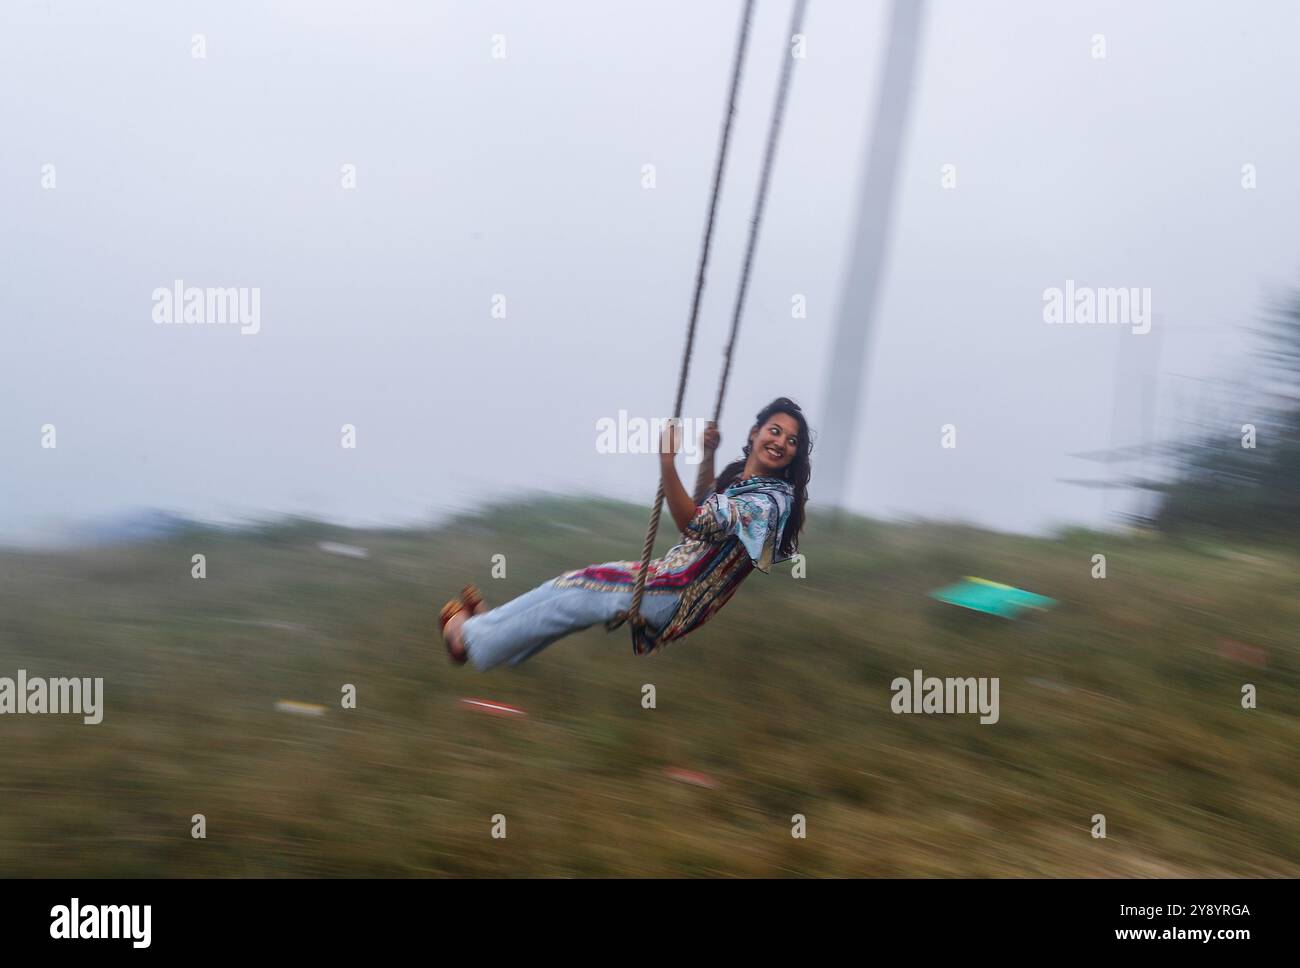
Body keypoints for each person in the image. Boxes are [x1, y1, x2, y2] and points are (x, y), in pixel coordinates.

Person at [439, 396, 811, 671]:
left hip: (678, 591)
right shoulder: (747, 484)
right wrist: (708, 453)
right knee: (574, 588)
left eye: (791, 440)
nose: (779, 442)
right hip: (671, 580)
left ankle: (469, 637)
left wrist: (666, 462)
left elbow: (693, 523)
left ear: (795, 455)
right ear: (755, 432)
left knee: (578, 595)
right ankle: (489, 631)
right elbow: (706, 509)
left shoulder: (769, 502)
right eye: (774, 431)